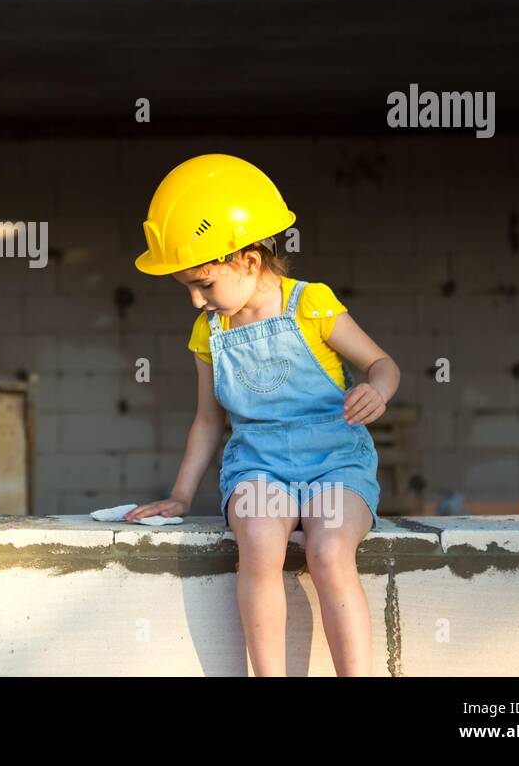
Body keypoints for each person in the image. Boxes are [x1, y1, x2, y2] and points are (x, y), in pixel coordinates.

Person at [129, 153, 400, 676]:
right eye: (187, 286)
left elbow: (382, 363)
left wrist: (378, 390)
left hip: (335, 463)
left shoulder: (311, 305)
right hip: (259, 467)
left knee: (328, 549)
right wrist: (181, 495)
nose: (195, 300)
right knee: (257, 542)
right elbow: (209, 421)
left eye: (204, 284)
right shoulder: (210, 331)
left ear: (248, 262)